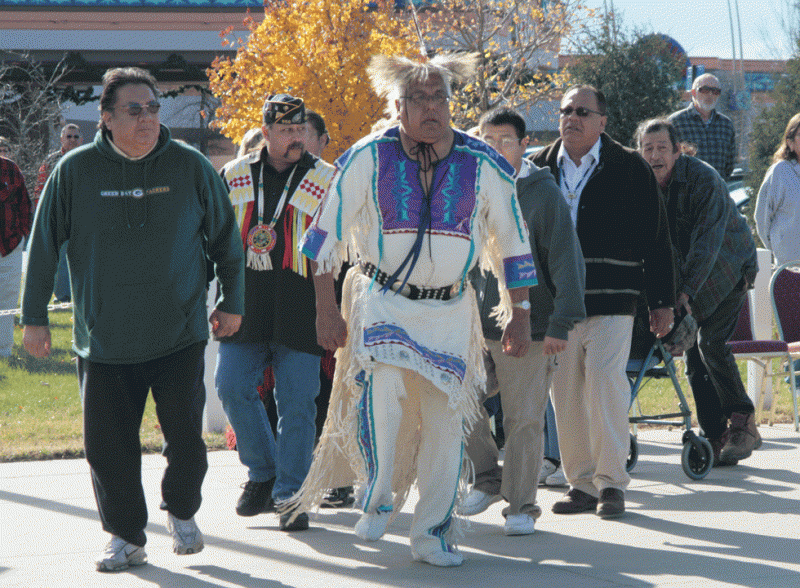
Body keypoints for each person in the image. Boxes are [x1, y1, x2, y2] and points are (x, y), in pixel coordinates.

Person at [292, 52, 538, 567]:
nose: (432, 108)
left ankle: (431, 535)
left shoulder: (482, 162)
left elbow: (514, 242)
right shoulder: (369, 156)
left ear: (452, 103)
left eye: (440, 98)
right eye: (419, 99)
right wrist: (325, 310)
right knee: (385, 394)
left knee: (447, 429)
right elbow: (323, 236)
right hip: (383, 302)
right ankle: (380, 492)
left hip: (451, 311)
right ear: (397, 106)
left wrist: (521, 313)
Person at [21, 66, 245, 572]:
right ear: (105, 116)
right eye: (134, 109)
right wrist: (34, 317)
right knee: (108, 448)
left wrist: (233, 301)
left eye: (153, 107)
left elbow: (227, 240)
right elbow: (43, 248)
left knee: (187, 441)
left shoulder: (189, 166)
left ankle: (182, 510)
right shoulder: (74, 171)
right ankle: (125, 536)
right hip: (104, 340)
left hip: (179, 333)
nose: (147, 118)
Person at [533, 85, 676, 519]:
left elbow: (658, 237)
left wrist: (662, 300)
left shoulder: (629, 167)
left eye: (581, 111)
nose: (570, 118)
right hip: (558, 304)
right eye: (565, 111)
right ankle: (581, 485)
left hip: (613, 298)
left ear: (602, 122)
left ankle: (611, 484)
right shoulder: (539, 167)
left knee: (603, 384)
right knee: (566, 396)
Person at [458, 107, 586, 536]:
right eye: (486, 139)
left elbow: (567, 261)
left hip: (531, 324)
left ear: (524, 144)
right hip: (474, 325)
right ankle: (488, 478)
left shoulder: (541, 193)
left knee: (523, 417)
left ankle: (521, 506)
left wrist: (560, 324)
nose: (494, 148)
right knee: (459, 398)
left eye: (505, 141)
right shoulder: (467, 187)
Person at [216, 94, 336, 532]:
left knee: (299, 403)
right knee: (231, 387)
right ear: (265, 133)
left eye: (301, 129)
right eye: (285, 130)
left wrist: (329, 311)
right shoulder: (235, 174)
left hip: (303, 307)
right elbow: (215, 238)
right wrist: (219, 299)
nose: (296, 138)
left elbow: (332, 248)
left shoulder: (326, 178)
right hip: (245, 306)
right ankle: (263, 474)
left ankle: (290, 495)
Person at [637, 118, 761, 465]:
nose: (655, 155)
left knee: (710, 344)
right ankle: (714, 435)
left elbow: (708, 242)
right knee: (693, 355)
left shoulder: (703, 178)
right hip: (686, 274)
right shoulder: (642, 183)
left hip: (728, 265)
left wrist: (684, 295)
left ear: (678, 150)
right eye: (648, 148)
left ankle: (742, 420)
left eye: (663, 148)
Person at [33, 123, 84, 302]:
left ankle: (81, 294)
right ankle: (63, 296)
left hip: (83, 218)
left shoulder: (88, 160)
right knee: (60, 258)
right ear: (62, 139)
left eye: (75, 136)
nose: (72, 140)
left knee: (84, 258)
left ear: (81, 140)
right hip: (58, 217)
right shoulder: (50, 162)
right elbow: (39, 191)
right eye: (68, 136)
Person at [668, 73, 736, 181]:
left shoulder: (726, 125)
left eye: (715, 91)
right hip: (685, 193)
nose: (710, 95)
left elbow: (729, 164)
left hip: (716, 192)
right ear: (693, 93)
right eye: (705, 90)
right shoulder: (675, 122)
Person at [755, 112, 800, 267]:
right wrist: (777, 248)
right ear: (790, 143)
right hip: (789, 265)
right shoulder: (781, 171)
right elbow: (762, 218)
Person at [0, 153, 32, 357]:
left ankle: (4, 350)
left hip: (10, 246)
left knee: (8, 301)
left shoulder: (10, 169)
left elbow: (25, 206)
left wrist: (22, 237)